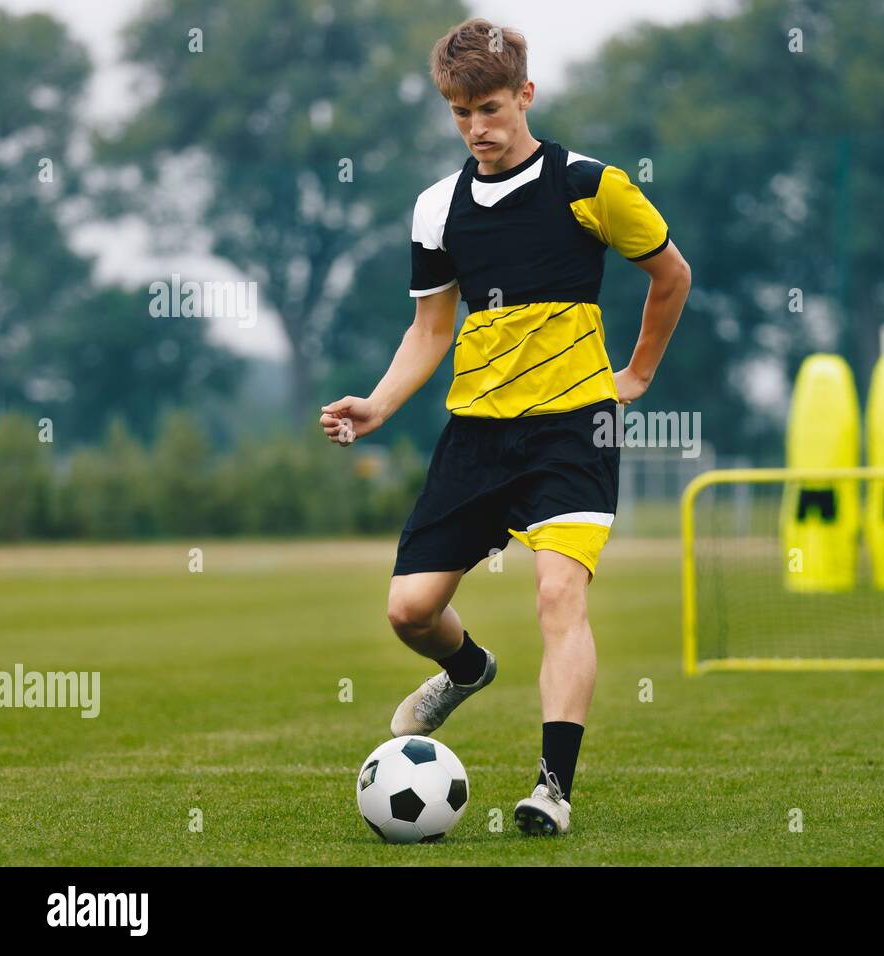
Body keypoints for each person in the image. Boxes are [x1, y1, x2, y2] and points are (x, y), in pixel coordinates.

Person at [319, 17, 690, 836]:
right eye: (459, 113)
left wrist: (635, 374)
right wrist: (378, 405)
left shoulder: (591, 186)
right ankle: (468, 668)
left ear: (525, 95)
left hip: (571, 431)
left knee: (559, 595)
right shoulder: (436, 207)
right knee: (408, 612)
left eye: (489, 108)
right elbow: (430, 330)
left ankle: (551, 789)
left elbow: (671, 274)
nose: (476, 129)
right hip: (476, 437)